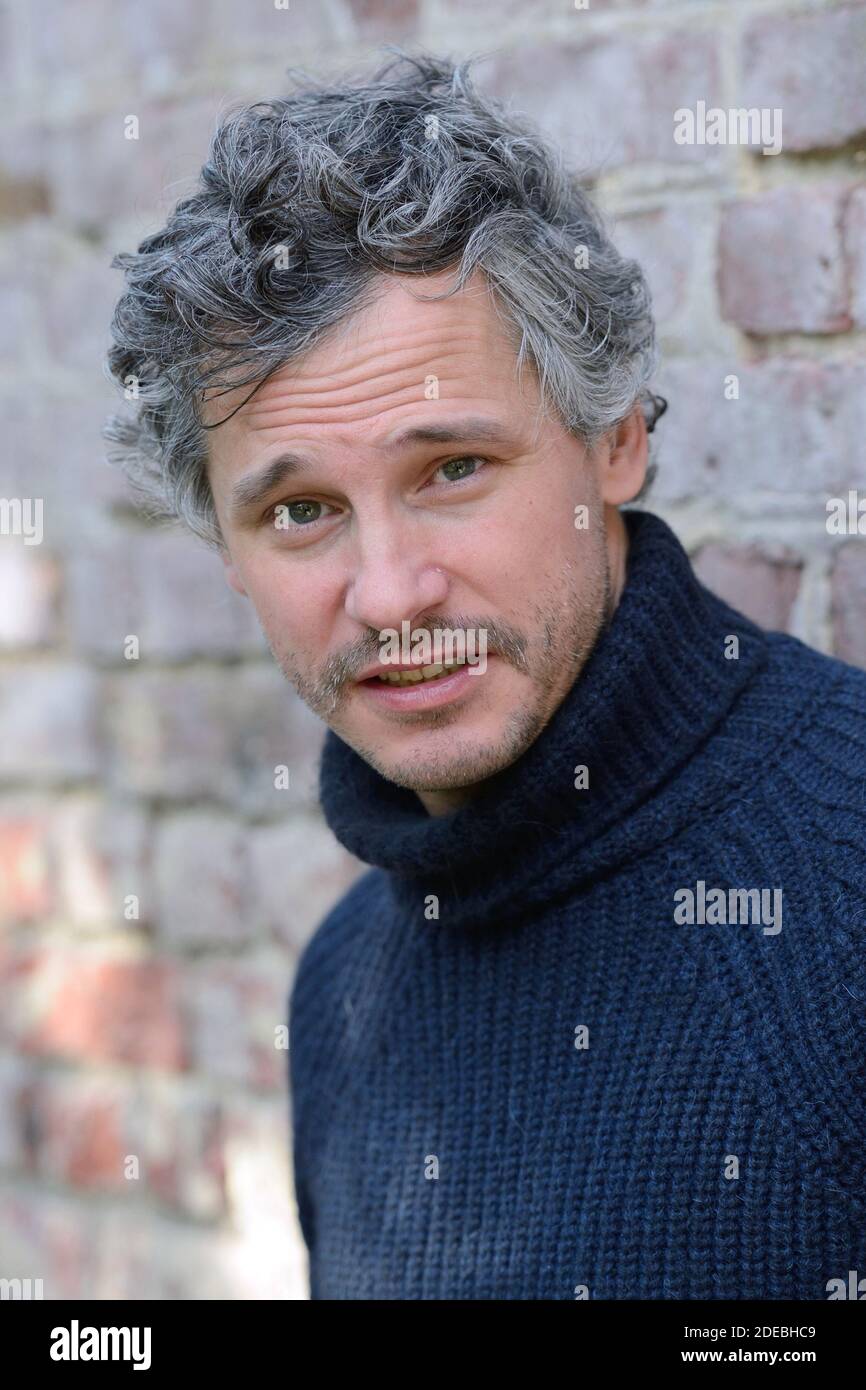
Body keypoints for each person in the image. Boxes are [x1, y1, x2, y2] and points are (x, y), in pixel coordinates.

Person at [105, 50, 866, 1300]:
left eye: (451, 469)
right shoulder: (344, 988)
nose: (391, 593)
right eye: (299, 510)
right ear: (228, 557)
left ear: (612, 439)